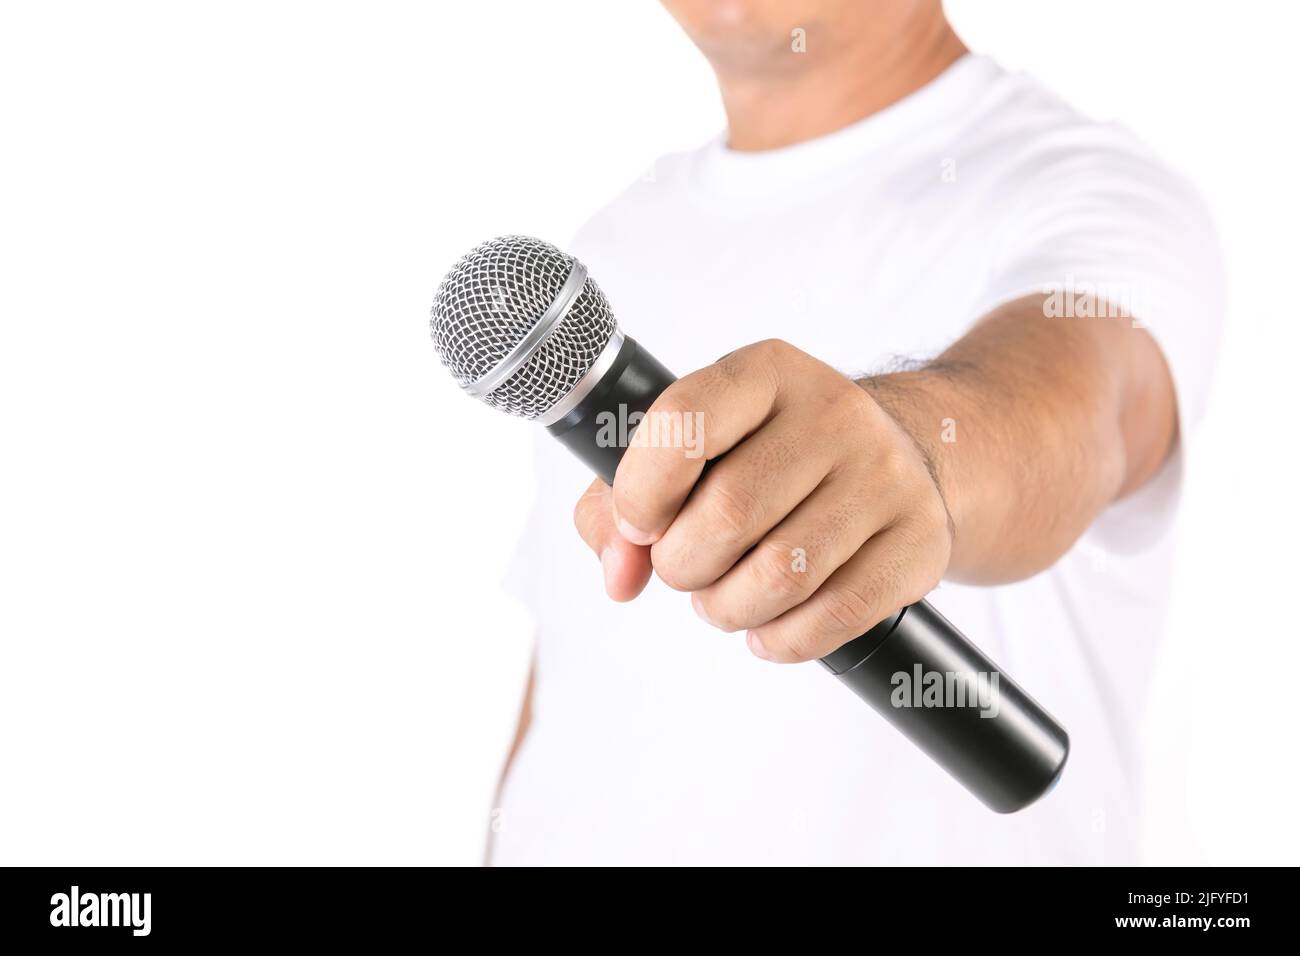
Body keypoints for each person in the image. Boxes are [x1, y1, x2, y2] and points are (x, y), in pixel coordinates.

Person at [491, 0, 1222, 864]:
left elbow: (1081, 400)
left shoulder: (1091, 191)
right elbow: (573, 670)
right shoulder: (613, 240)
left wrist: (911, 453)